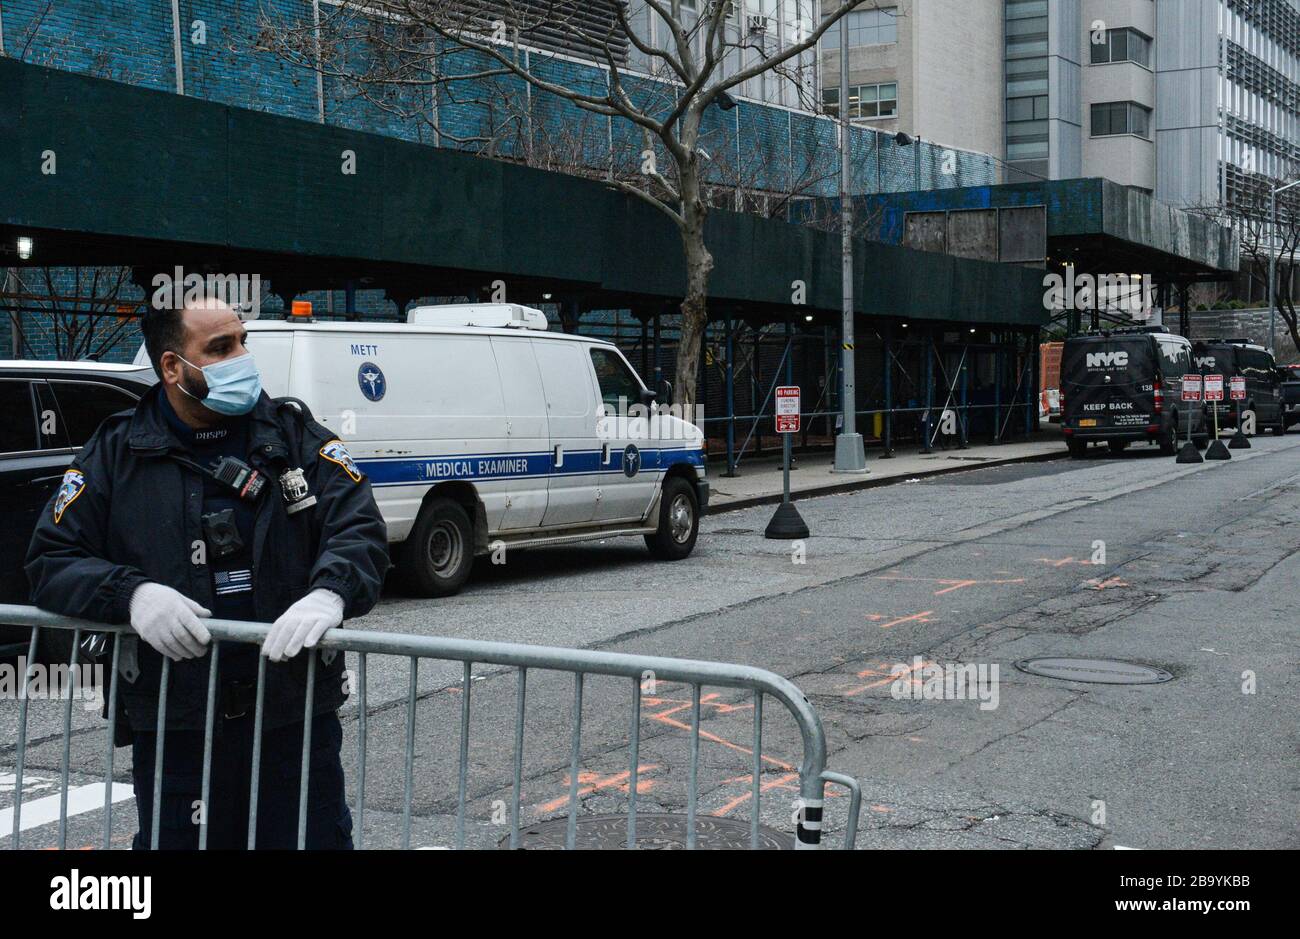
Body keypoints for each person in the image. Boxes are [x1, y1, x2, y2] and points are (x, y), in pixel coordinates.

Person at [26, 295, 389, 849]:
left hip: (292, 714)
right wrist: (133, 594)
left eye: (243, 341)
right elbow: (51, 559)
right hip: (179, 721)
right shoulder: (119, 451)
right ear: (173, 367)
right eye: (220, 348)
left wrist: (330, 594)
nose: (241, 357)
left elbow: (359, 529)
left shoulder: (293, 436)